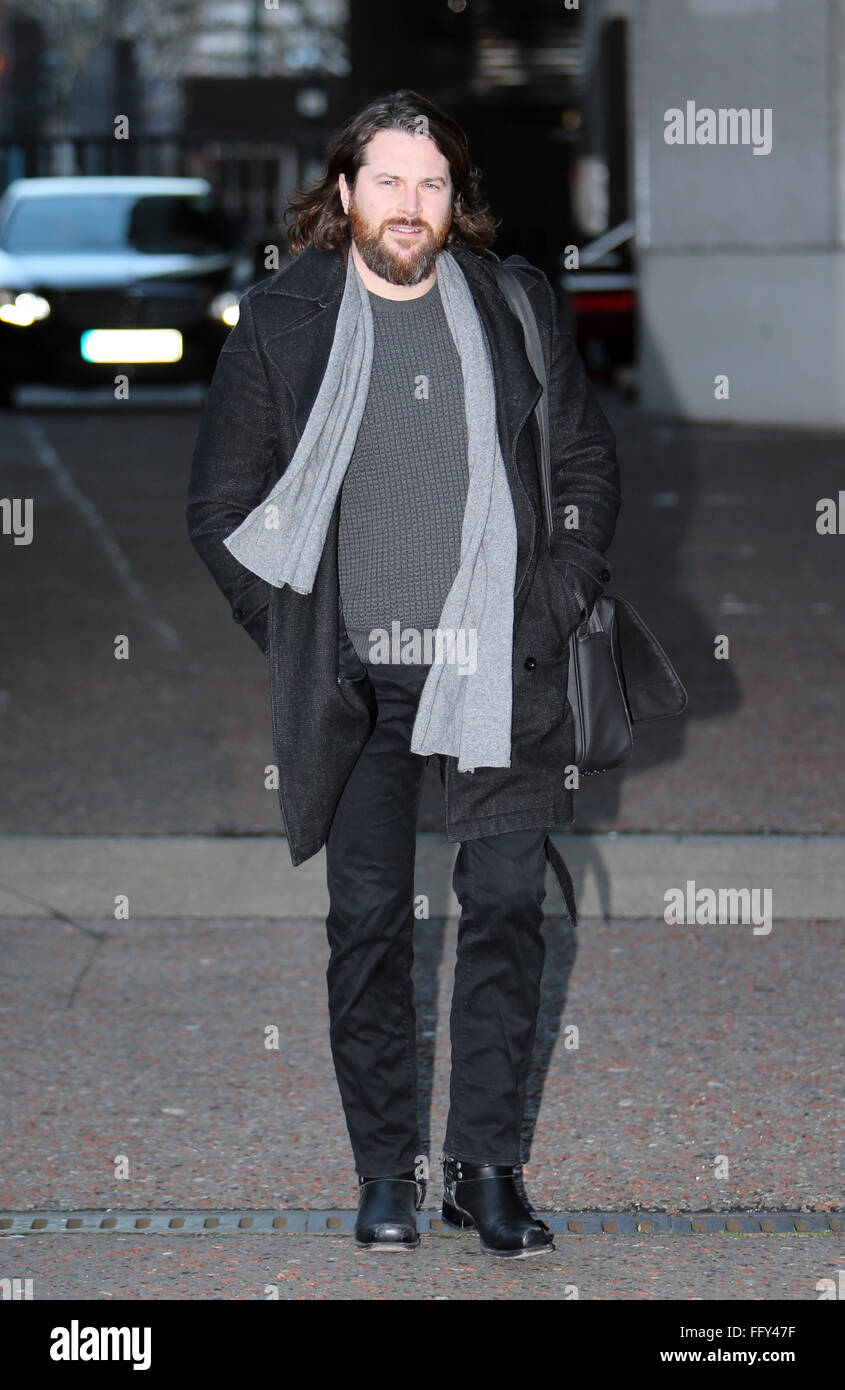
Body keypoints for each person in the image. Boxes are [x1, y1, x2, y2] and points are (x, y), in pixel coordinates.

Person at [186, 89, 620, 1259]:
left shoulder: (513, 304)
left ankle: (487, 1171)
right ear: (344, 194)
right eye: (386, 182)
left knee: (504, 918)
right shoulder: (284, 321)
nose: (408, 207)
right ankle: (386, 1170)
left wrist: (554, 599)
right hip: (357, 684)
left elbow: (580, 465)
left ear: (452, 198)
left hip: (499, 669)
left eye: (429, 184)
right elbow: (220, 510)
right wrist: (295, 637)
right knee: (369, 924)